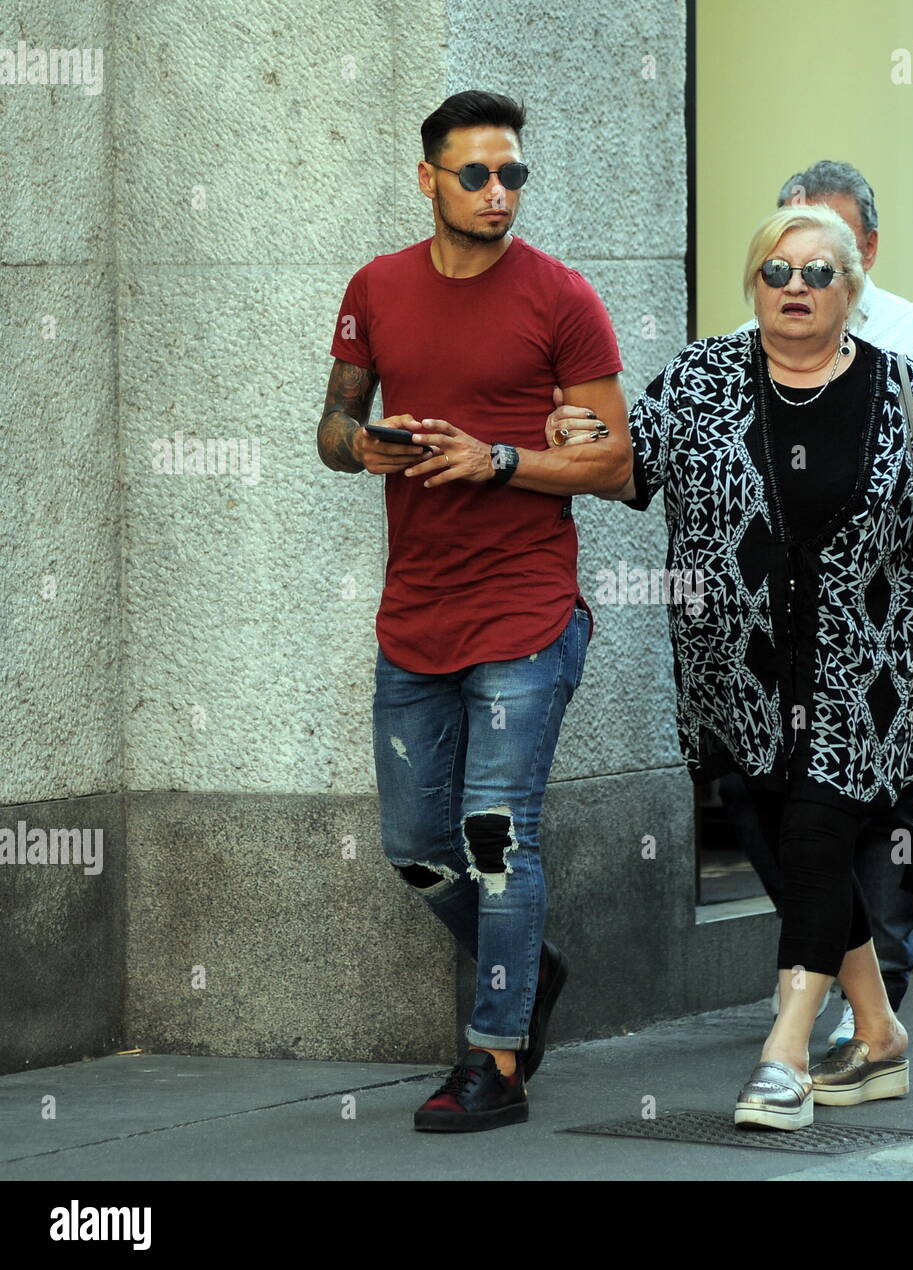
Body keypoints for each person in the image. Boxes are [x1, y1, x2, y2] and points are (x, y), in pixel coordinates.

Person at [555, 203, 913, 1128]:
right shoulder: (702, 377)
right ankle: (881, 1030)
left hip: (867, 675)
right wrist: (573, 430)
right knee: (792, 852)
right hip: (735, 679)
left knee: (816, 839)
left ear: (852, 291)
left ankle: (784, 1052)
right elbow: (628, 470)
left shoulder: (905, 388)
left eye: (819, 273)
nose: (796, 289)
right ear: (755, 286)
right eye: (778, 272)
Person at [316, 90, 631, 1132]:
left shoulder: (562, 296)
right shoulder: (377, 287)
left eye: (513, 175)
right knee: (416, 843)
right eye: (476, 175)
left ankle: (496, 1062)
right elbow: (333, 422)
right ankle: (524, 964)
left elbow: (618, 462)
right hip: (416, 611)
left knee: (497, 834)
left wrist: (499, 459)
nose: (499, 193)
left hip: (525, 610)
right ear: (428, 180)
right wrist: (369, 446)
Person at [730, 160, 913, 1046]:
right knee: (773, 797)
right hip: (767, 636)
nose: (798, 273)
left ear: (866, 251)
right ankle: (845, 982)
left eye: (823, 253)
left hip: (889, 625)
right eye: (782, 253)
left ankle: (874, 984)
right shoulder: (742, 348)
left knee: (882, 797)